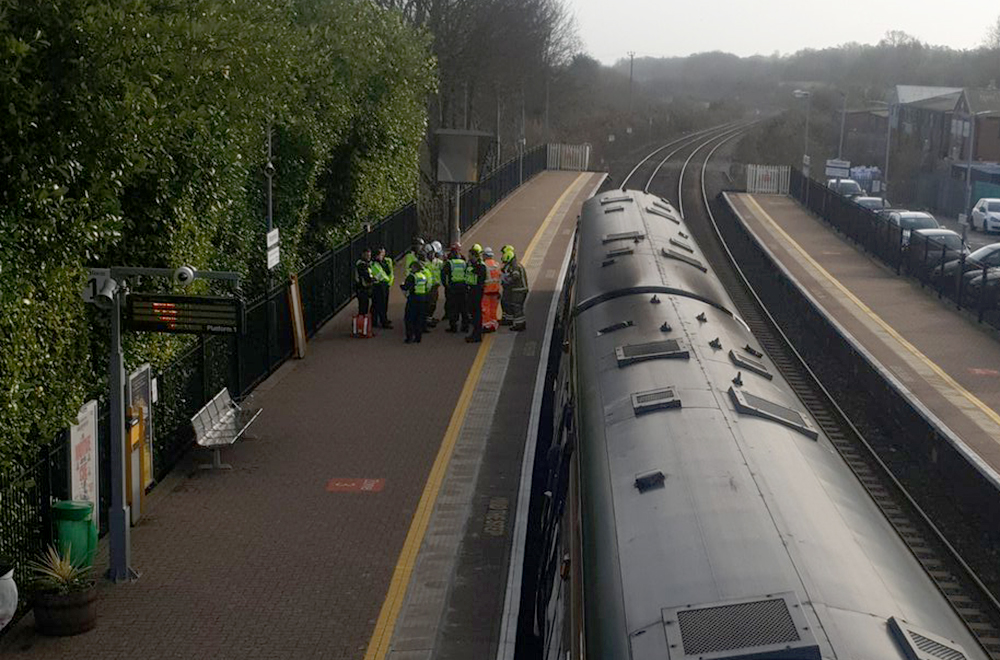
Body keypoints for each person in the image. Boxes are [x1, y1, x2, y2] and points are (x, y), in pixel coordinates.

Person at [442, 242, 468, 333]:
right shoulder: (464, 262)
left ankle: (453, 327)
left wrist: (446, 286)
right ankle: (465, 326)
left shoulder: (450, 263)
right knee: (463, 307)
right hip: (463, 287)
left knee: (453, 307)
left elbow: (443, 275)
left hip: (453, 287)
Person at [401, 260, 429, 343]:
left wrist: (402, 285)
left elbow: (406, 287)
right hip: (422, 298)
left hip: (413, 299)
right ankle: (418, 337)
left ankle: (409, 337)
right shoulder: (423, 276)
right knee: (419, 319)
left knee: (409, 319)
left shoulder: (411, 276)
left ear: (415, 268)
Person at [501, 246, 528, 331]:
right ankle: (511, 320)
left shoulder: (515, 267)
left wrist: (507, 280)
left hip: (519, 290)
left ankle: (520, 325)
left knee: (517, 307)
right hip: (517, 290)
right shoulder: (513, 266)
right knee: (512, 305)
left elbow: (515, 276)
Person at [465, 247, 488, 343]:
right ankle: (474, 333)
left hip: (476, 291)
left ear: (474, 256)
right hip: (471, 290)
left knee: (476, 314)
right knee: (473, 313)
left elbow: (480, 277)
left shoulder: (480, 266)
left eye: (470, 255)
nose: (468, 257)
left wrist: (473, 269)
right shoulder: (471, 264)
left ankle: (477, 335)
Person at [370, 246, 393, 329]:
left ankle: (376, 321)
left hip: (384, 285)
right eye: (381, 254)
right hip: (378, 285)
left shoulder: (383, 262)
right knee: (380, 304)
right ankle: (383, 321)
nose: (383, 255)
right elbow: (381, 275)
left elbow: (388, 271)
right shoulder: (374, 264)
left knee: (380, 304)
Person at [481, 247, 502, 333]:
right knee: (494, 308)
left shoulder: (484, 264)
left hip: (487, 290)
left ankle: (487, 325)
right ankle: (494, 323)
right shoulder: (497, 264)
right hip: (495, 290)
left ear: (485, 255)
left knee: (486, 309)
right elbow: (499, 276)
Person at [354, 247, 374, 316]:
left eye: (369, 255)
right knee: (363, 306)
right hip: (361, 288)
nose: (368, 257)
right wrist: (373, 279)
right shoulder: (361, 264)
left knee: (366, 305)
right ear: (363, 255)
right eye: (367, 255)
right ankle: (361, 323)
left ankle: (364, 321)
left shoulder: (368, 263)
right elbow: (366, 277)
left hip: (365, 287)